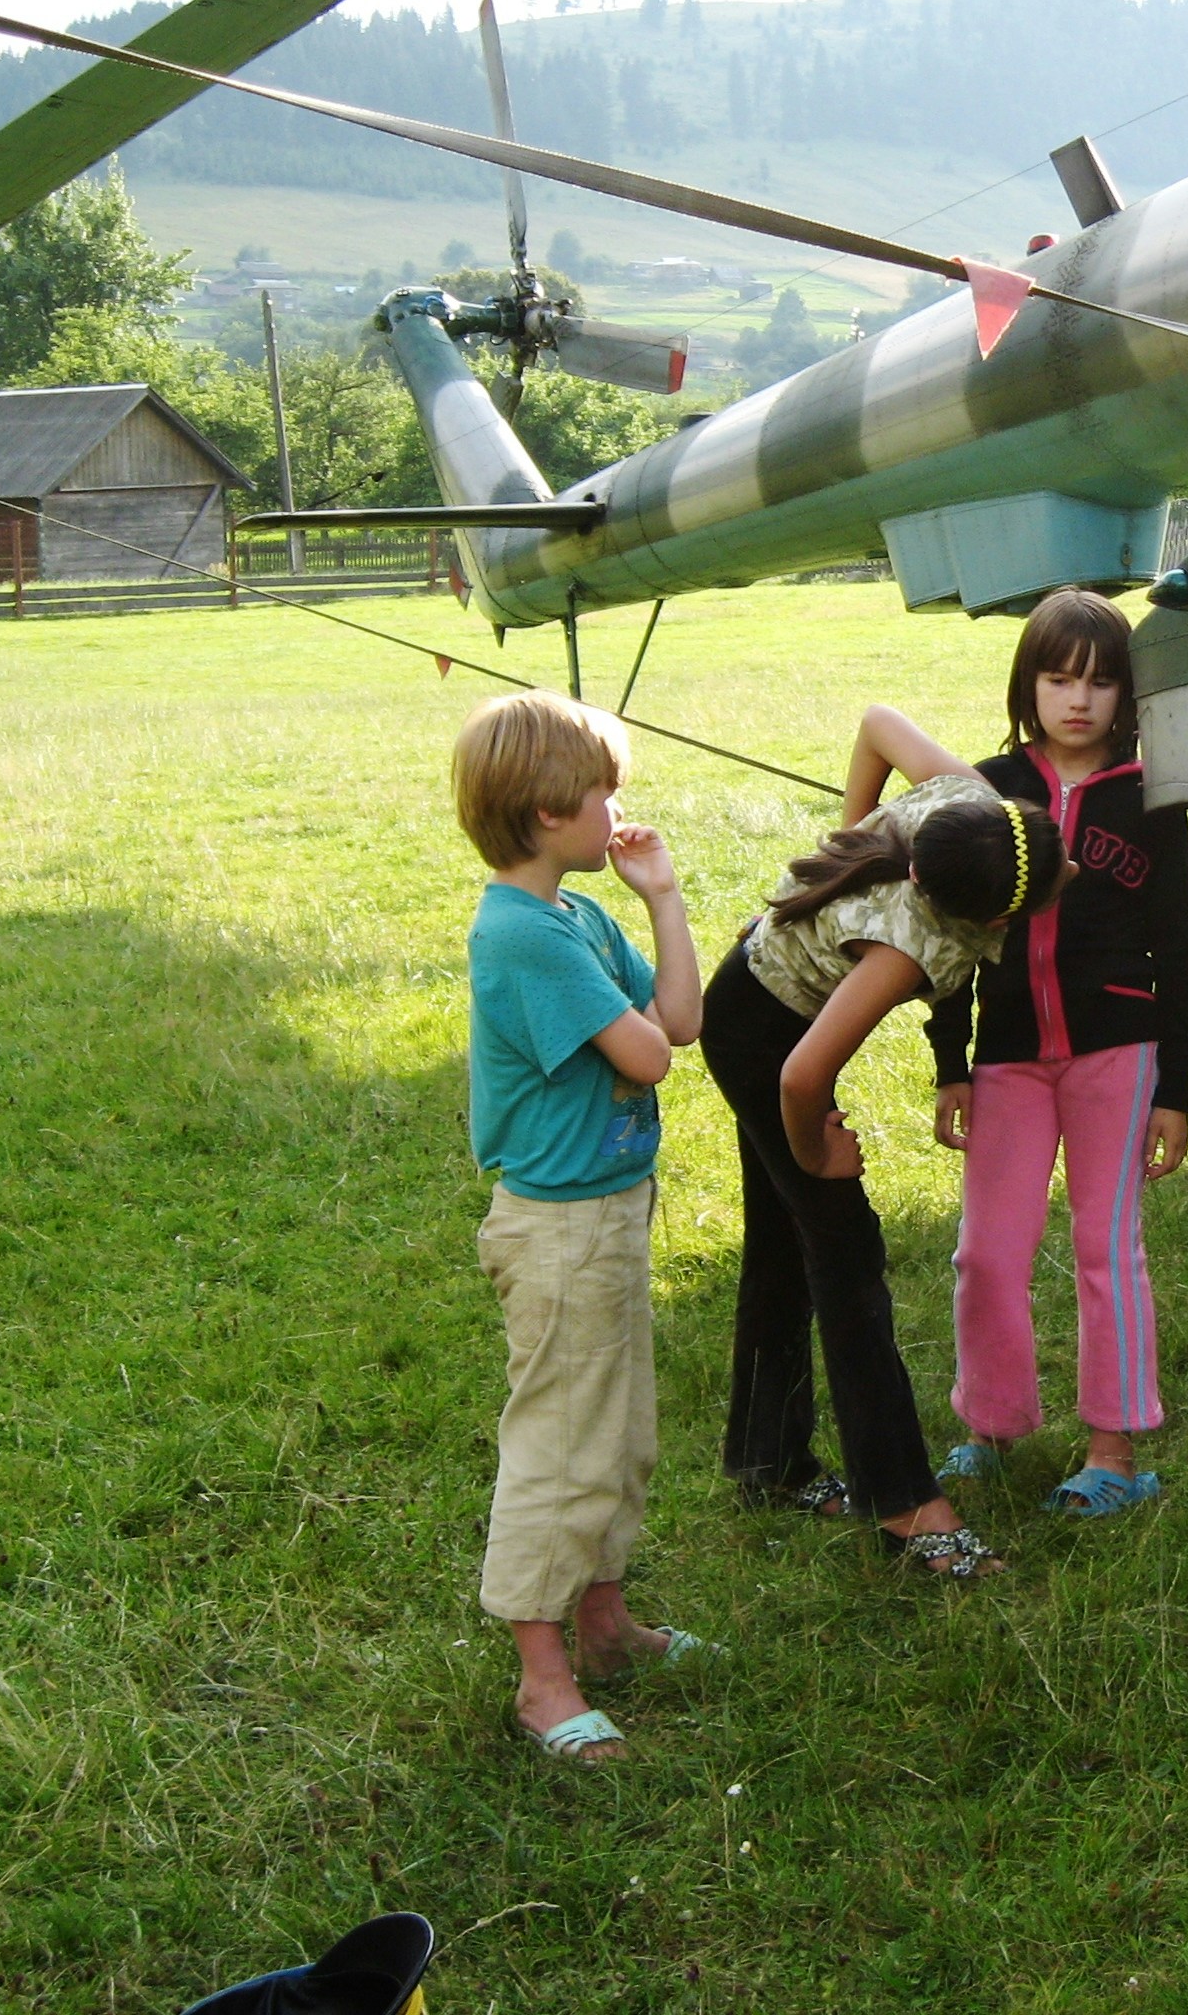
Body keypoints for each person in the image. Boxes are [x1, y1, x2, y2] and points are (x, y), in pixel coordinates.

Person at [704, 704, 1070, 1581]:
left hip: (757, 996)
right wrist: (817, 1153)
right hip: (763, 1036)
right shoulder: (909, 946)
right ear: (988, 920)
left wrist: (845, 845)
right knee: (844, 1252)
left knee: (788, 1247)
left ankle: (769, 1463)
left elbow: (873, 723)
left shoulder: (963, 803)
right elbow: (799, 1075)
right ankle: (905, 1504)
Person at [455, 689, 703, 1764]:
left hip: (609, 1213)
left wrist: (663, 896)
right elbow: (645, 1055)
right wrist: (641, 1022)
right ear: (548, 812)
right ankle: (541, 1680)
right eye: (604, 793)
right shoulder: (519, 936)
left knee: (619, 1430)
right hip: (557, 1234)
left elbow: (681, 1023)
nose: (617, 811)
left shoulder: (580, 915)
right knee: (560, 1443)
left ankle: (603, 1626)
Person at [927, 588, 1188, 1516]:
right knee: (988, 1253)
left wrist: (1177, 1084)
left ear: (1127, 693)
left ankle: (1113, 1453)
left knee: (1104, 1247)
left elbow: (1179, 945)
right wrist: (951, 1061)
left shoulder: (1150, 793)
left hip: (1116, 1053)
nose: (1078, 699)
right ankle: (992, 1427)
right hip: (1006, 1055)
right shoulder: (986, 786)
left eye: (1099, 681)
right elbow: (951, 931)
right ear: (1029, 685)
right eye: (1058, 678)